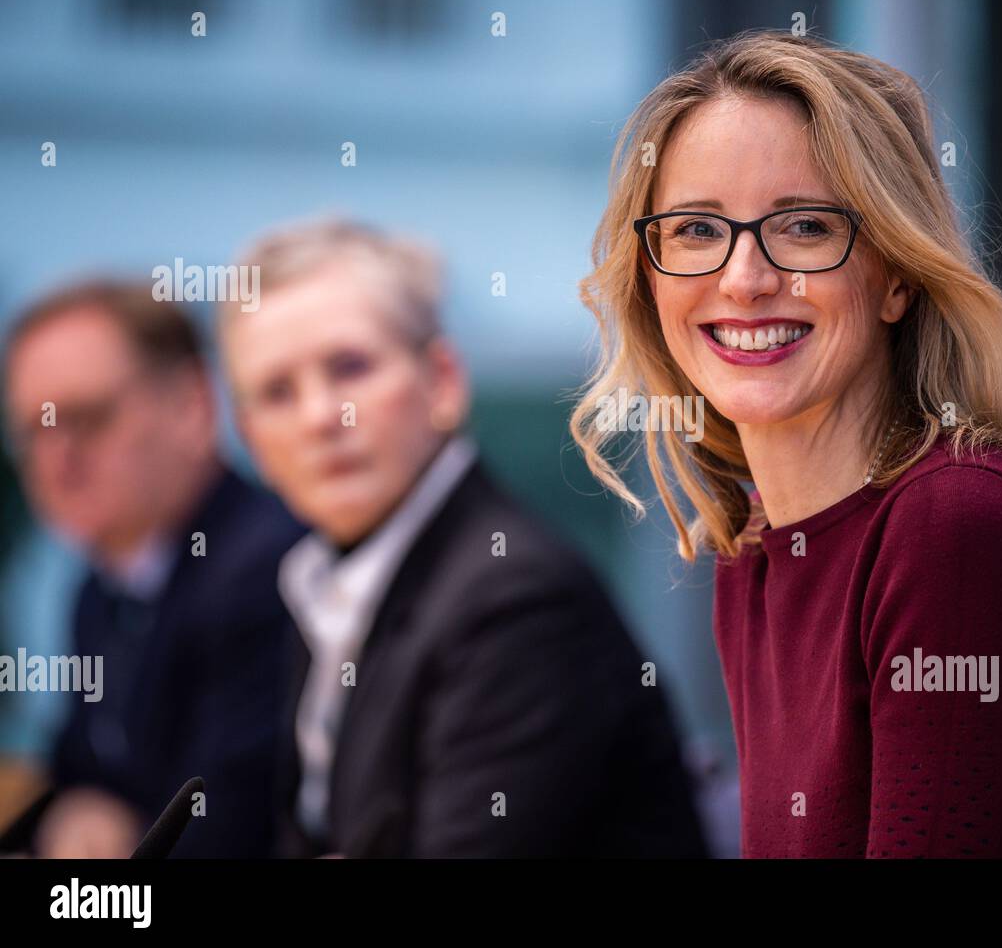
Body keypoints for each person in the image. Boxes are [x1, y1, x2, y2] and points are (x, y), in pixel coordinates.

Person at [568, 30, 1002, 858]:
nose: (744, 278)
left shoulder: (957, 529)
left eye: (804, 226)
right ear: (650, 271)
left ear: (896, 275)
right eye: (697, 230)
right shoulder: (756, 552)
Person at [218, 218, 708, 857]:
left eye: (350, 367)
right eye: (277, 392)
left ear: (442, 382)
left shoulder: (516, 597)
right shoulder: (328, 580)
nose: (319, 417)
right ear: (249, 434)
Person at [1, 280, 303, 857]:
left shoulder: (270, 572)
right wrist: (74, 810)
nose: (55, 456)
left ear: (192, 408)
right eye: (33, 429)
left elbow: (223, 834)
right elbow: (78, 772)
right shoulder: (99, 585)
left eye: (85, 417)